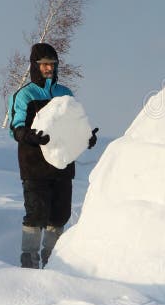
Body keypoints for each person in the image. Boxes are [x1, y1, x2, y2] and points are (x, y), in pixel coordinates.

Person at [7, 43, 98, 268]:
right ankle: (29, 261)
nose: (49, 68)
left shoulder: (65, 94)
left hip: (62, 167)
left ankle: (52, 261)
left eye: (52, 64)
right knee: (36, 215)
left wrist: (86, 137)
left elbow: (74, 124)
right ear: (35, 66)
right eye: (44, 64)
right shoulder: (25, 95)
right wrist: (30, 136)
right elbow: (15, 128)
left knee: (59, 216)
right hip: (34, 166)